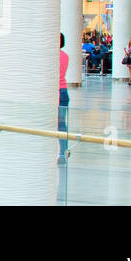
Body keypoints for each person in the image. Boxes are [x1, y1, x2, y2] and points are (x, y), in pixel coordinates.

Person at [58, 32, 70, 163]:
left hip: (56, 92)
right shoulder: (65, 56)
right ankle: (62, 152)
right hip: (64, 91)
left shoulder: (52, 57)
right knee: (62, 124)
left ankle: (62, 153)